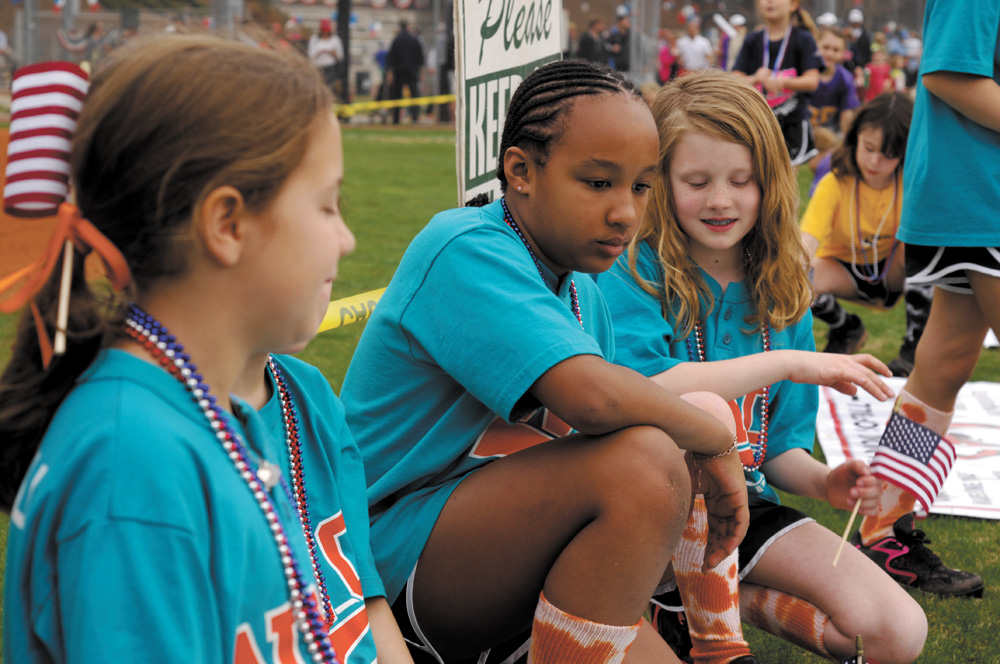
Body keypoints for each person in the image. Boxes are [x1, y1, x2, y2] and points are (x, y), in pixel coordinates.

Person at [340, 59, 750, 664]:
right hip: (389, 563)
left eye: (640, 186)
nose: (626, 213)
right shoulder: (462, 246)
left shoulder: (585, 291)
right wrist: (716, 442)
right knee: (649, 460)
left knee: (659, 441)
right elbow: (596, 401)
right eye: (597, 182)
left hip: (503, 546)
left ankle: (719, 649)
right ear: (520, 171)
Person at [0, 35, 394, 663]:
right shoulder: (132, 470)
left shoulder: (219, 410)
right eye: (327, 205)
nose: (345, 238)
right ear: (227, 225)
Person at [596, 69, 927, 664]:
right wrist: (794, 362)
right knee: (701, 412)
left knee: (895, 634)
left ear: (769, 184)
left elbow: (773, 452)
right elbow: (648, 390)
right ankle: (709, 633)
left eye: (741, 181)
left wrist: (825, 482)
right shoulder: (631, 271)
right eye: (696, 181)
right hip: (638, 515)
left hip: (743, 511)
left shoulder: (780, 292)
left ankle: (728, 602)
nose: (721, 200)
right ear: (661, 181)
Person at [850, 0, 997, 600]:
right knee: (941, 367)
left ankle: (883, 530)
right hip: (982, 199)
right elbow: (947, 73)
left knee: (942, 366)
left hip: (974, 199)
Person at [801, 93, 933, 378]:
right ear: (855, 138)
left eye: (888, 154)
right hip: (843, 271)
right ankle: (845, 327)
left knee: (923, 248)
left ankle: (914, 349)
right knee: (799, 275)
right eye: (869, 147)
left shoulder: (911, 183)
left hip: (895, 271)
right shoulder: (834, 182)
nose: (875, 161)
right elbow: (807, 239)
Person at [732, 0, 822, 167]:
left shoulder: (803, 39)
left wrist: (784, 82)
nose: (769, 1)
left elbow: (812, 81)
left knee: (786, 184)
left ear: (793, 5)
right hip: (759, 122)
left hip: (792, 122)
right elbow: (734, 79)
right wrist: (754, 78)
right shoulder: (753, 40)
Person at [809, 25, 861, 139]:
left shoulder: (845, 78)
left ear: (843, 53)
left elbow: (846, 114)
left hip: (830, 137)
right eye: (825, 47)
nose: (830, 54)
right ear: (816, 45)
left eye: (836, 50)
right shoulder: (804, 73)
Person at [386, 20, 425, 125]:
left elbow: (391, 58)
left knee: (397, 95)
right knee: (414, 94)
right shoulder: (415, 39)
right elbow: (420, 57)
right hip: (412, 71)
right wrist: (421, 72)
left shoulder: (397, 39)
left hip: (399, 72)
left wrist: (390, 73)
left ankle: (396, 119)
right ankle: (415, 117)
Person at [308, 19, 345, 97]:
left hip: (330, 69)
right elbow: (310, 55)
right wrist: (320, 52)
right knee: (317, 89)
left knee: (329, 88)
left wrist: (332, 53)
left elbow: (340, 56)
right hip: (317, 68)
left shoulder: (335, 39)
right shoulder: (314, 39)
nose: (325, 33)